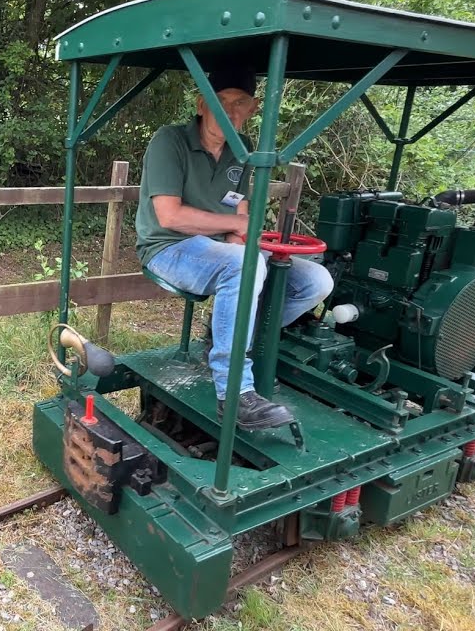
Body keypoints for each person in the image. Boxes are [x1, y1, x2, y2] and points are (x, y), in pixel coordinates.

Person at [135, 63, 334, 431]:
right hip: (168, 247)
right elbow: (169, 216)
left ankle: (229, 339)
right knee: (243, 265)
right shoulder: (169, 141)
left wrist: (243, 237)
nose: (229, 111)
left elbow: (238, 214)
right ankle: (235, 393)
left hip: (220, 251)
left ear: (253, 108)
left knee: (316, 281)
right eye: (220, 101)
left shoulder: (243, 151)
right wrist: (238, 231)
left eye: (239, 102)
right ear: (201, 104)